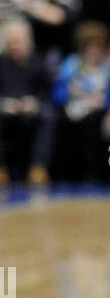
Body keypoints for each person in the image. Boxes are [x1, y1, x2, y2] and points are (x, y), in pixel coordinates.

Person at [0, 20, 55, 185]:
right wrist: (4, 103)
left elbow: (47, 92)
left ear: (28, 41)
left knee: (48, 114)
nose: (15, 46)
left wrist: (33, 103)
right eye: (11, 42)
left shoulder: (40, 62)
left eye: (18, 41)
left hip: (30, 110)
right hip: (4, 110)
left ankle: (38, 167)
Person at [51, 22, 110, 182]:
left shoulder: (106, 68)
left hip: (98, 112)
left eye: (96, 46)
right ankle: (66, 173)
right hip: (72, 108)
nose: (92, 50)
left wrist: (102, 102)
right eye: (88, 46)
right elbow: (57, 93)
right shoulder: (71, 64)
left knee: (93, 122)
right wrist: (69, 91)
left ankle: (92, 173)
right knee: (60, 121)